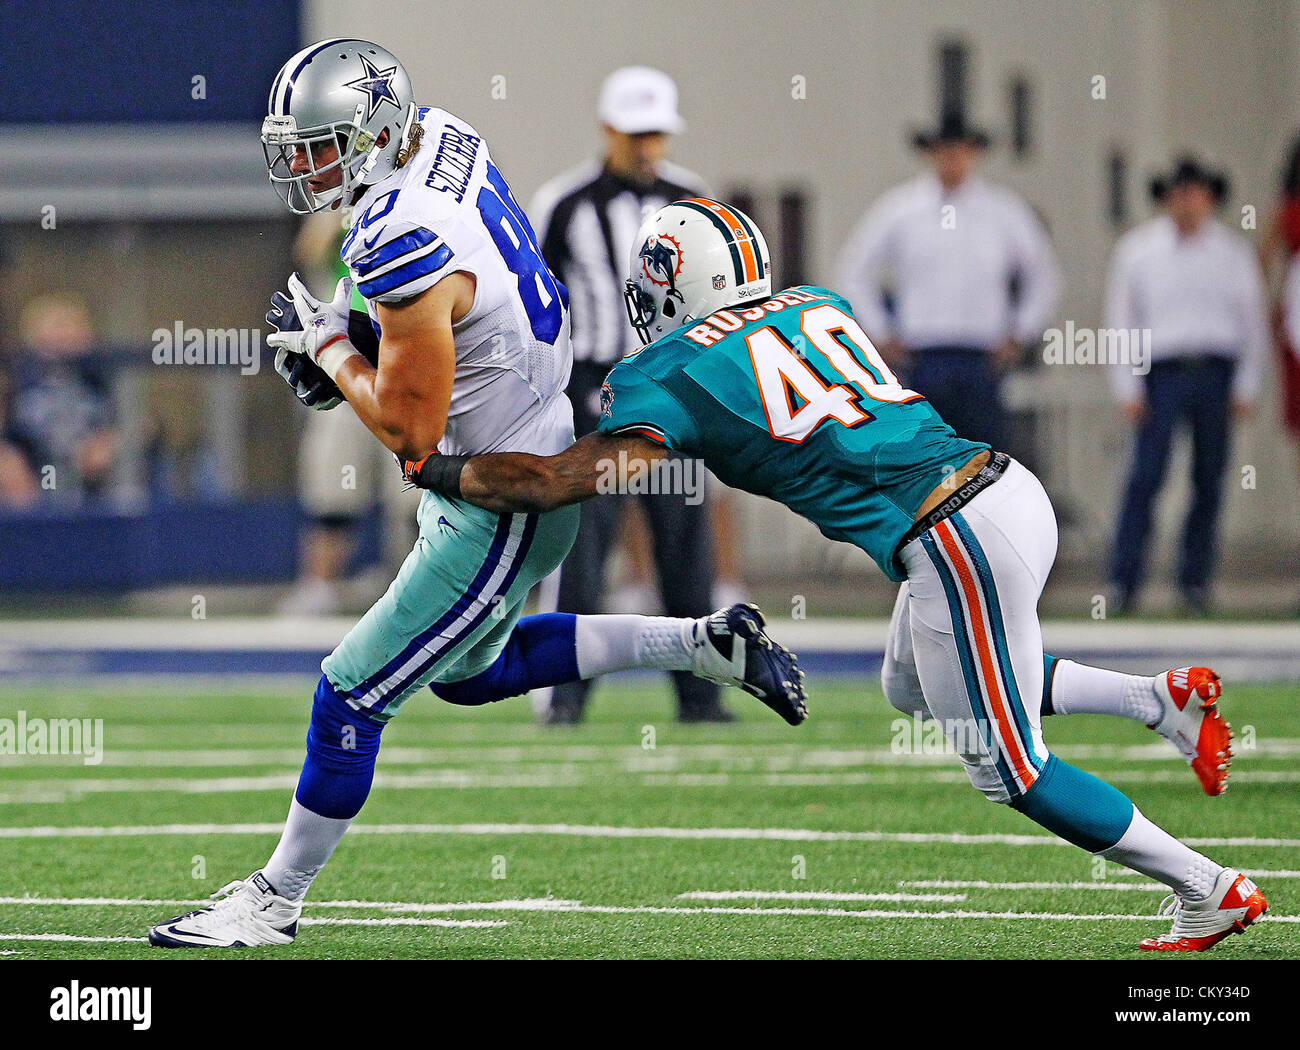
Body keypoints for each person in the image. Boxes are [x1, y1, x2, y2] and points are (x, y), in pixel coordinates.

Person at [404, 197, 1267, 952]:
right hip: (1000, 489)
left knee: (1005, 765)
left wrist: (437, 469)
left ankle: (1205, 886)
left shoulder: (666, 375)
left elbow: (558, 483)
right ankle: (1159, 702)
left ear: (673, 284)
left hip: (952, 535)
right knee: (914, 688)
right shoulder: (817, 304)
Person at [147, 41, 805, 950]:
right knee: (470, 674)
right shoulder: (445, 138)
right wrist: (365, 340)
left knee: (349, 692)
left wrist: (335, 352)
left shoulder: (395, 237)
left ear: (375, 132)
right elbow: (468, 305)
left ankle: (274, 900)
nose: (304, 164)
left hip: (495, 492)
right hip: (530, 428)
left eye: (321, 144)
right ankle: (702, 643)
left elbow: (412, 433)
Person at [529, 66, 725, 723]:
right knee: (583, 547)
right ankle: (565, 694)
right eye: (636, 133)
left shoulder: (693, 196)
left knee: (686, 548)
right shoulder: (565, 201)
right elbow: (538, 303)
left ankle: (700, 696)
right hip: (597, 385)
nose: (647, 147)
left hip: (675, 382)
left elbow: (722, 298)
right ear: (608, 128)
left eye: (657, 134)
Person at [836, 112, 1060, 450]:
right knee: (924, 457)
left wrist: (1019, 333)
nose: (952, 159)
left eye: (960, 150)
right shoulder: (901, 209)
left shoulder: (1004, 211)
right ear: (930, 154)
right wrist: (881, 334)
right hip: (923, 357)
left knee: (985, 459)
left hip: (982, 358)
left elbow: (1044, 275)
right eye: (944, 150)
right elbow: (853, 272)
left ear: (975, 154)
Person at [1106, 156, 1268, 615]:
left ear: (1210, 199)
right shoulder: (1139, 251)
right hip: (1162, 374)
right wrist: (1128, 386)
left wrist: (1247, 384)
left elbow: (1251, 322)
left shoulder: (1232, 253)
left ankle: (1195, 582)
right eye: (1179, 194)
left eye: (1195, 193)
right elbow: (1123, 322)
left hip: (1215, 373)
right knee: (1145, 477)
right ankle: (1124, 581)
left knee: (1209, 479)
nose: (1187, 203)